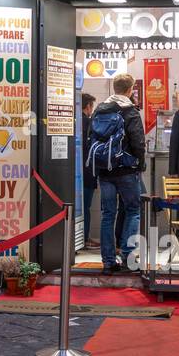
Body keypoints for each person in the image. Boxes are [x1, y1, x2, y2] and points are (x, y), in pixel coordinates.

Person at [87, 73, 146, 274]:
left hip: (105, 170)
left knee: (107, 214)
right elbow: (138, 142)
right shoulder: (130, 111)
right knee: (133, 210)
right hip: (127, 169)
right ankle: (128, 257)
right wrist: (140, 164)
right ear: (130, 90)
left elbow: (91, 138)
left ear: (114, 88)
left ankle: (108, 261)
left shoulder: (99, 110)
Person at [81, 93, 98, 248]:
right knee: (85, 206)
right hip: (87, 171)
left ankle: (83, 238)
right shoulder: (90, 123)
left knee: (80, 206)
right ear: (88, 106)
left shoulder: (73, 122)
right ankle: (84, 238)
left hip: (75, 172)